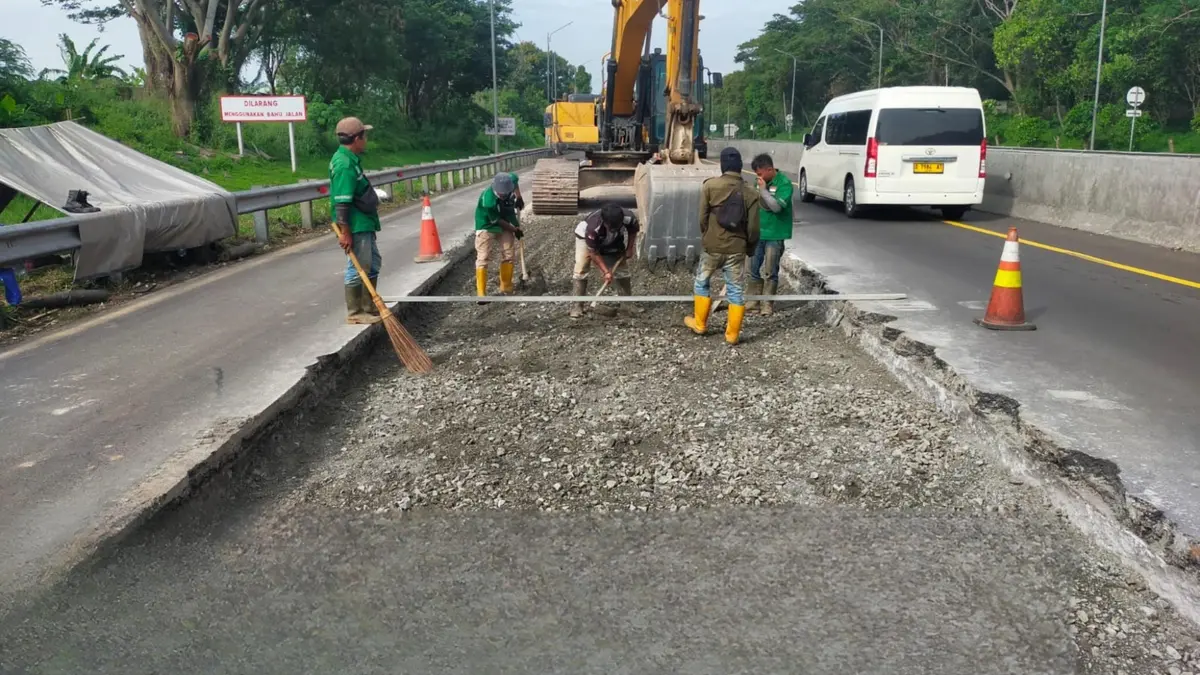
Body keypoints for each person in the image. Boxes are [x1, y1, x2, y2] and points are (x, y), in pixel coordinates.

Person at [684, 147, 761, 345]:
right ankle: (732, 335)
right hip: (737, 248)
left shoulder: (710, 186)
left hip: (712, 246)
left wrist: (707, 236)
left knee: (702, 282)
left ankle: (700, 324)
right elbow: (753, 228)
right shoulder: (751, 193)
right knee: (735, 290)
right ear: (740, 166)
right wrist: (749, 248)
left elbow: (702, 218)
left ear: (722, 166)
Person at [330, 116, 383, 325]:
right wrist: (345, 232)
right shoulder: (344, 165)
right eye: (364, 136)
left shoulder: (350, 159)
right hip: (356, 224)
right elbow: (342, 202)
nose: (366, 140)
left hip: (364, 221)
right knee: (358, 266)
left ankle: (369, 306)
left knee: (373, 263)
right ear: (356, 138)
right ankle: (355, 311)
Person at [570, 202, 640, 318]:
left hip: (615, 239)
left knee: (622, 270)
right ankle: (577, 306)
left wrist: (629, 248)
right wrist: (606, 272)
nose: (613, 229)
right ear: (604, 221)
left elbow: (633, 231)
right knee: (581, 269)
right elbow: (594, 253)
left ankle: (627, 305)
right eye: (611, 227)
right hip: (585, 238)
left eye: (616, 226)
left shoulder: (628, 217)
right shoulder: (593, 227)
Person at [747, 153, 794, 315]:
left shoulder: (784, 184)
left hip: (775, 233)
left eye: (760, 173)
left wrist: (763, 191)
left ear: (769, 169)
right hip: (759, 232)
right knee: (753, 268)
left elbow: (776, 208)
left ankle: (767, 304)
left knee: (770, 270)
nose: (758, 177)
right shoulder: (759, 182)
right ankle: (753, 301)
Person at [474, 171, 524, 298]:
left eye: (506, 194)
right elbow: (497, 221)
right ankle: (481, 293)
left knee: (509, 253)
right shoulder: (488, 200)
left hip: (505, 221)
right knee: (483, 256)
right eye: (501, 194)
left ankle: (506, 287)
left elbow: (515, 180)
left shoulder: (509, 181)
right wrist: (514, 230)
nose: (503, 196)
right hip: (486, 225)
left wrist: (519, 197)